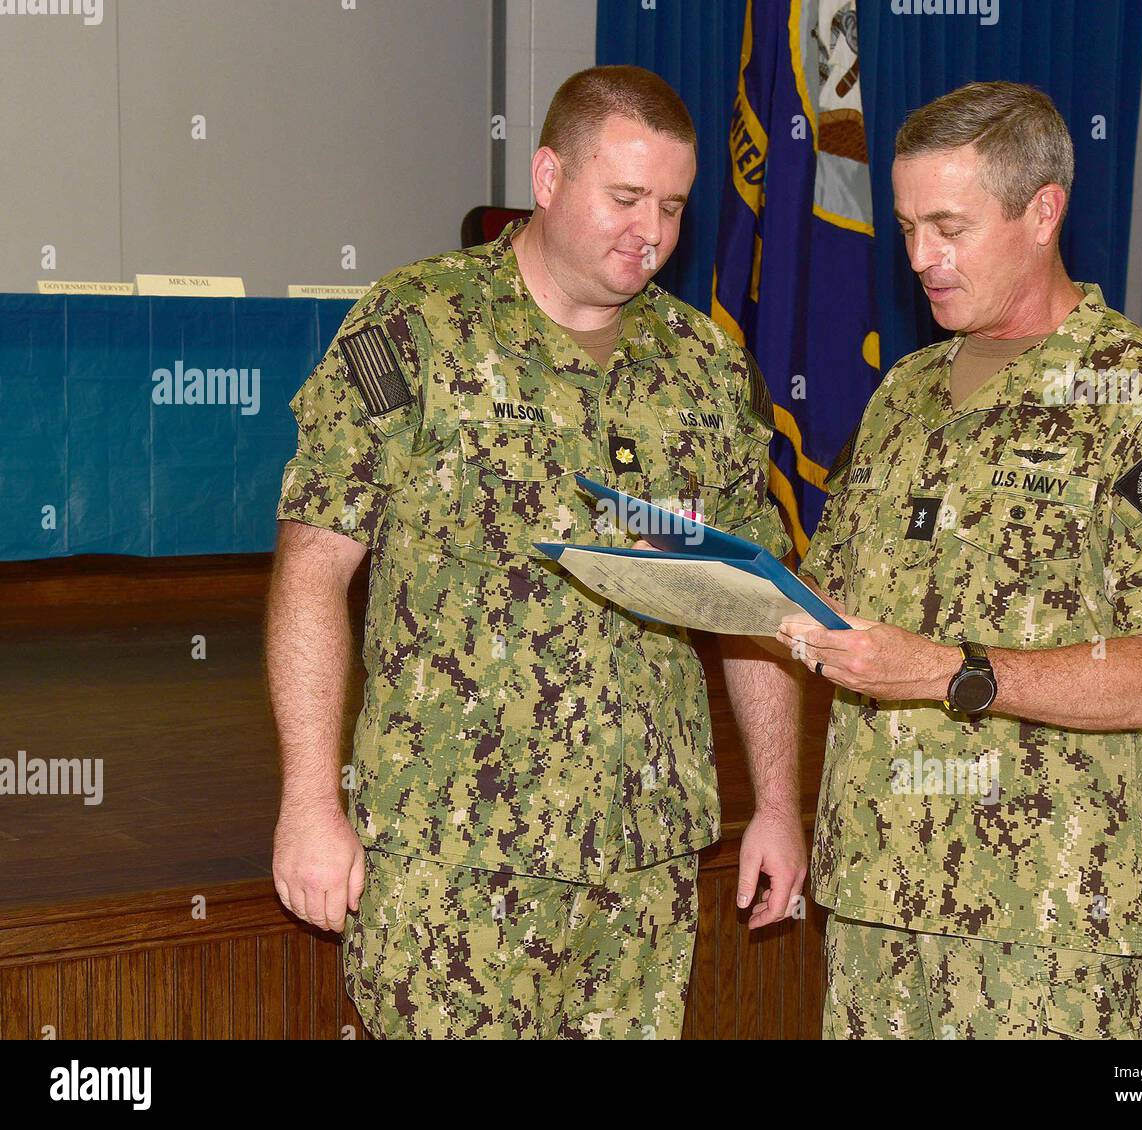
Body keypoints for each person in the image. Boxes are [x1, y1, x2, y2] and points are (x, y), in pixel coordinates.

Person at [265, 64, 805, 1040]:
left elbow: (752, 601)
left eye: (674, 207)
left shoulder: (705, 366)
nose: (651, 232)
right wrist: (308, 801)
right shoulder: (417, 324)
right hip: (451, 860)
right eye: (626, 197)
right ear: (550, 177)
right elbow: (312, 570)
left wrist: (777, 800)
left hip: (639, 862)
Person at [778, 81, 1142, 1039]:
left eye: (949, 226)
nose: (919, 259)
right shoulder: (903, 394)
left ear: (1043, 211)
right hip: (874, 913)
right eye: (907, 226)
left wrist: (953, 673)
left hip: (1045, 934)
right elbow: (831, 594)